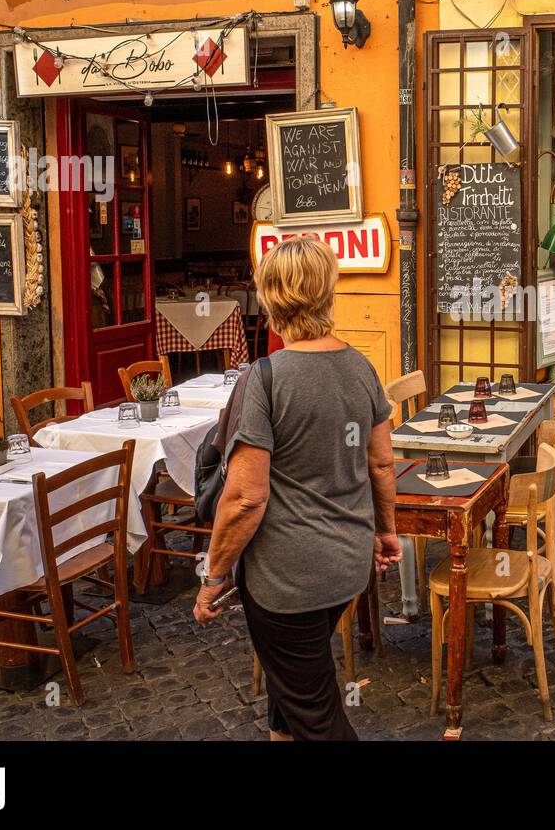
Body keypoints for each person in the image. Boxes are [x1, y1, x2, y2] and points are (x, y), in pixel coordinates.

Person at [193, 236, 401, 741]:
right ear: (329, 292)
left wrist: (214, 576)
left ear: (269, 299)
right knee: (294, 691)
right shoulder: (361, 366)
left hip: (289, 581)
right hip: (347, 565)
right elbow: (381, 464)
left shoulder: (264, 379)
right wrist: (385, 532)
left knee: (316, 713)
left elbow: (245, 497)